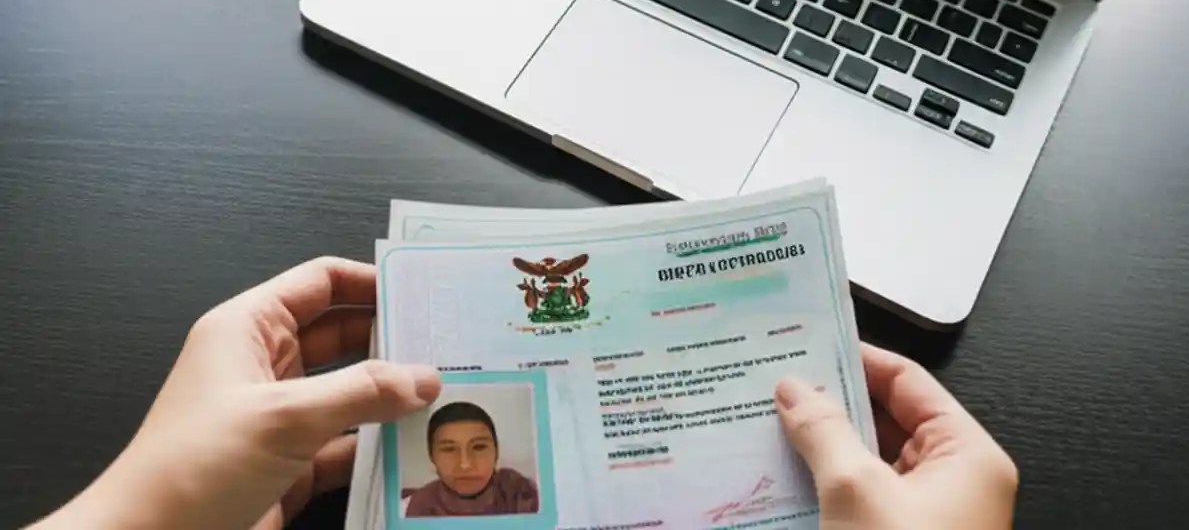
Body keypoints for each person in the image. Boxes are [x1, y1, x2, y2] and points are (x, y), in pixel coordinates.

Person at [26, 258, 1017, 530]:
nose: (460, 462)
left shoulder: (511, 491)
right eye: (446, 447)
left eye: (472, 448)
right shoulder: (413, 503)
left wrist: (142, 513)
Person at [402, 401, 539, 517]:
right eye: (449, 449)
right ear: (432, 457)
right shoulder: (421, 508)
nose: (465, 464)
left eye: (478, 447)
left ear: (496, 453)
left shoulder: (517, 493)